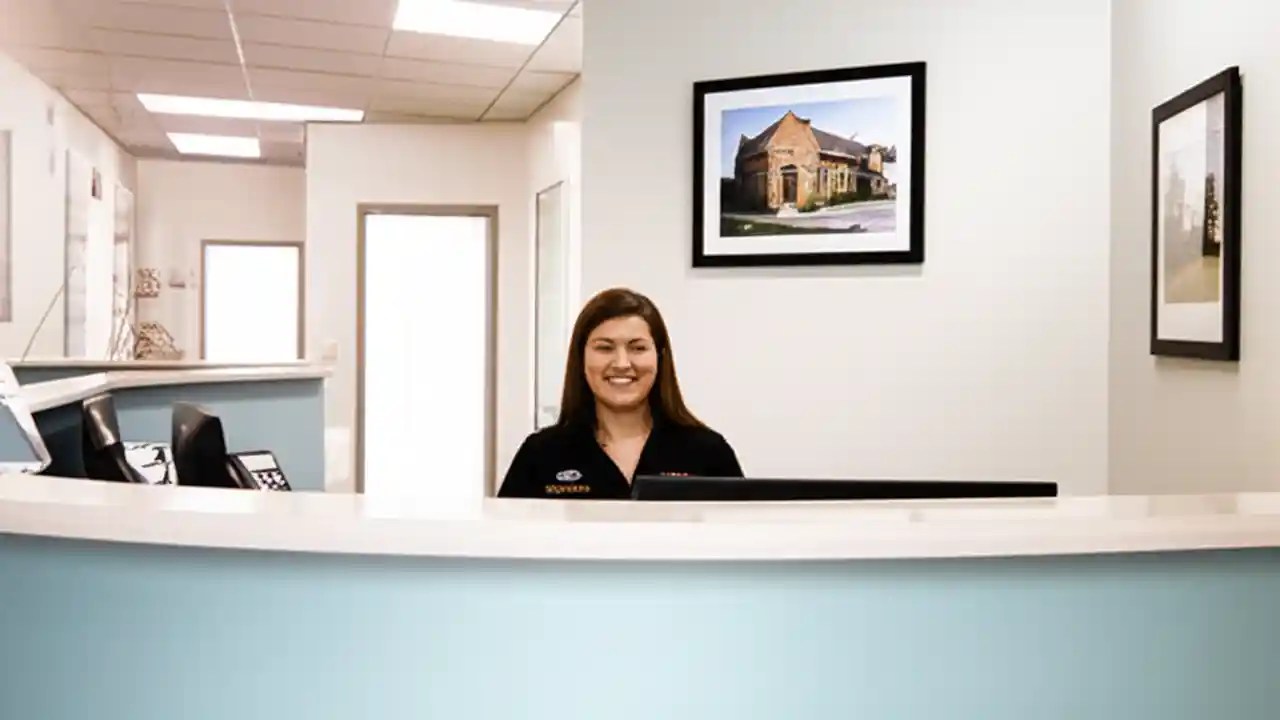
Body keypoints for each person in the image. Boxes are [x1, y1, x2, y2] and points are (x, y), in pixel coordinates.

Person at [497, 287, 743, 499]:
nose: (622, 363)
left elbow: (738, 542)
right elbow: (508, 544)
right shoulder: (541, 454)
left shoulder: (708, 452)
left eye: (637, 348)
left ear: (660, 357)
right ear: (581, 359)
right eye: (604, 348)